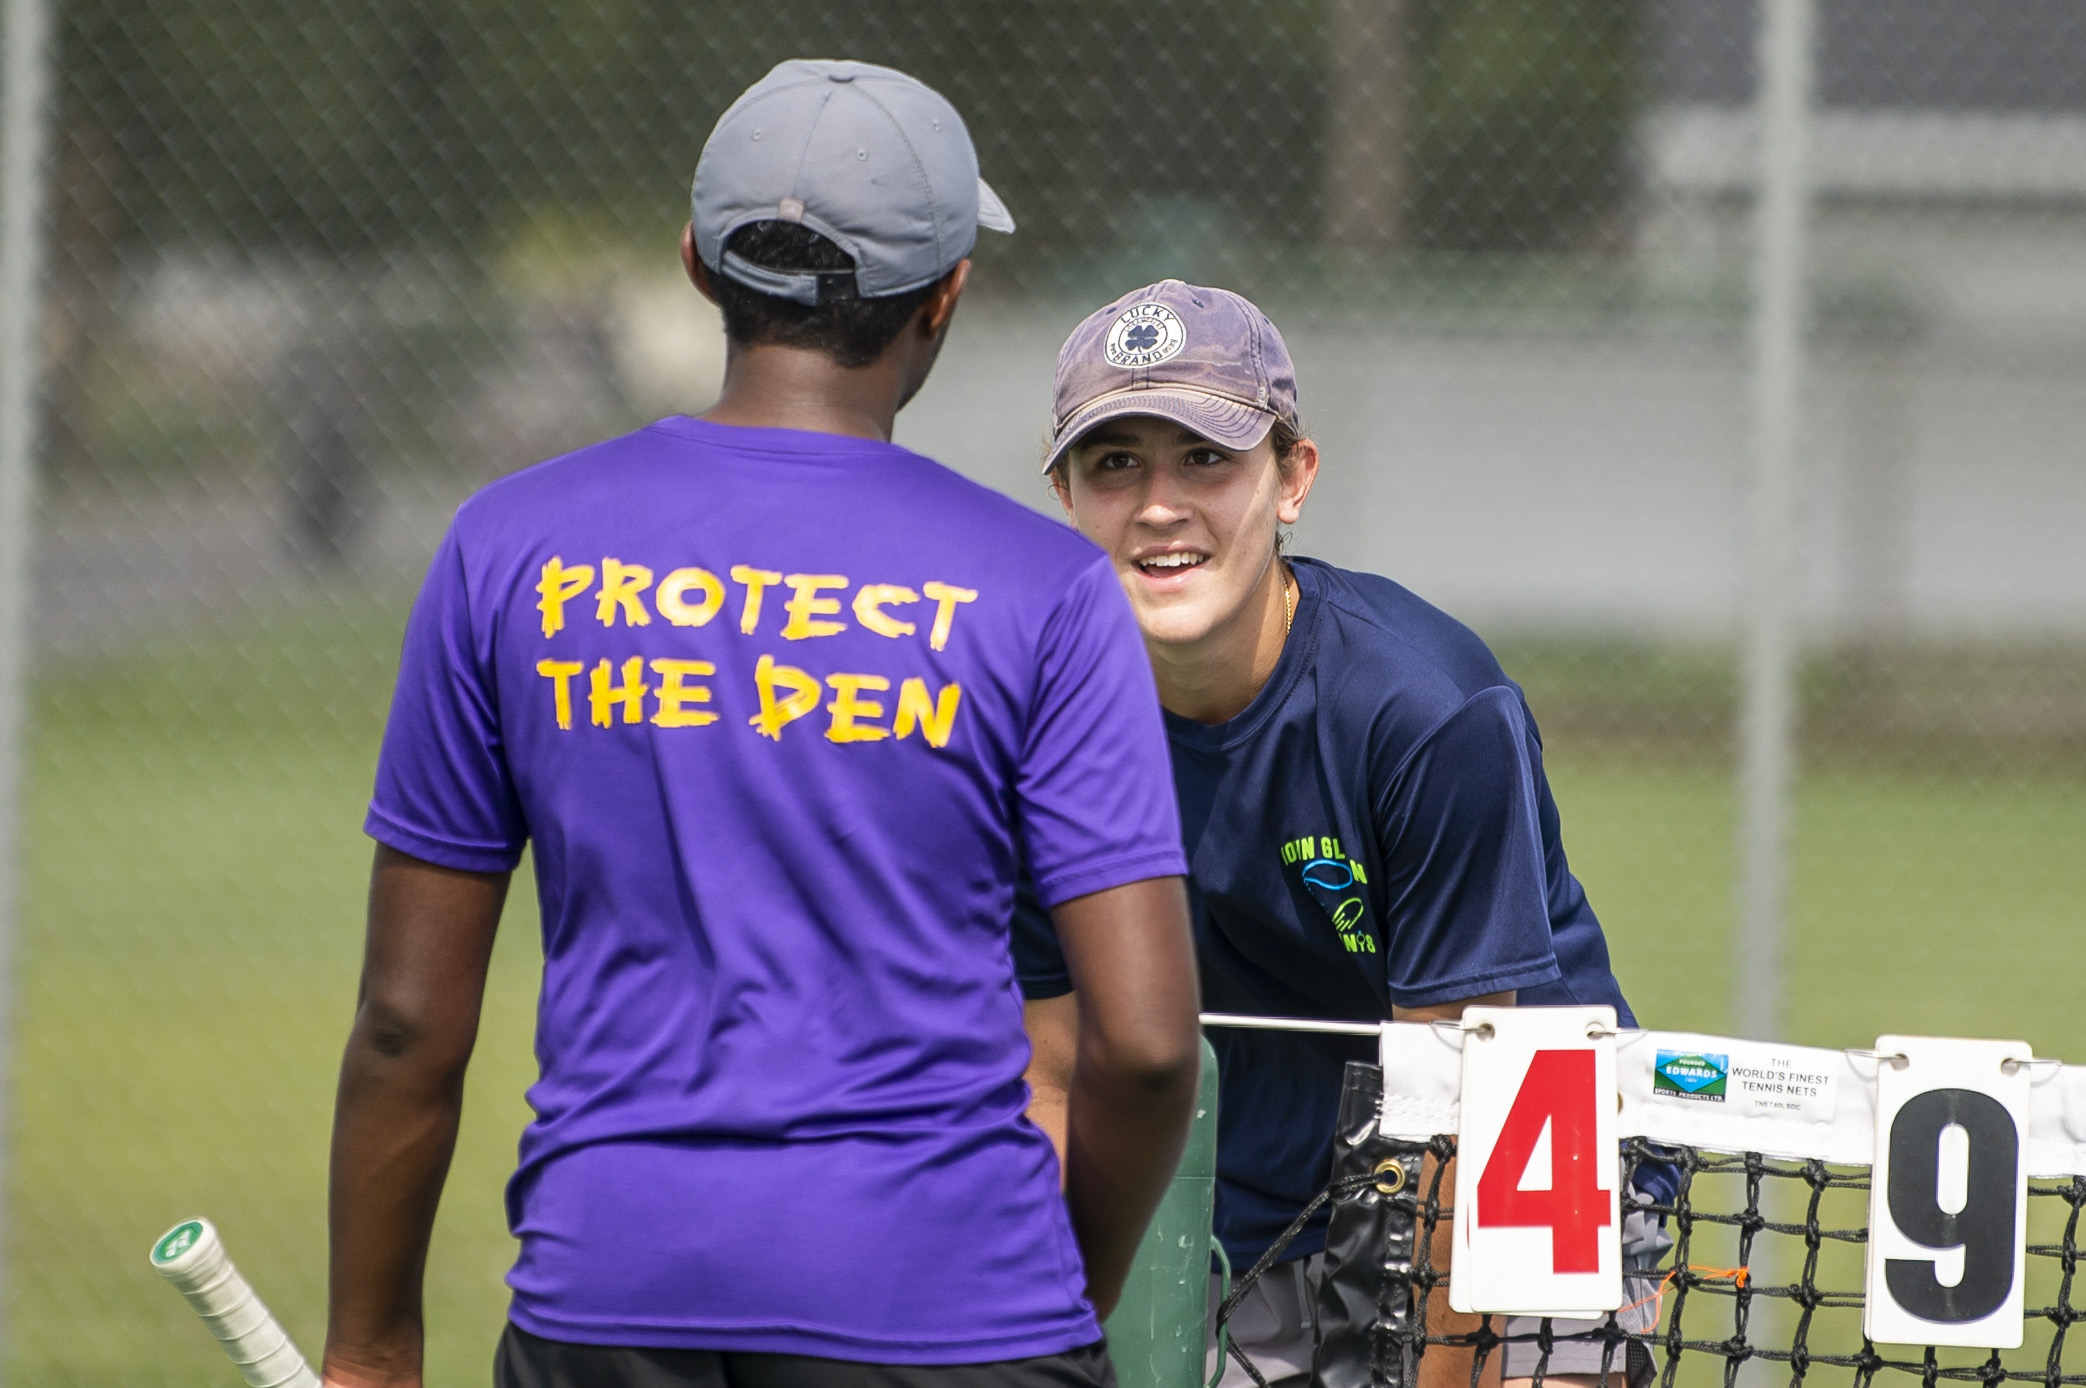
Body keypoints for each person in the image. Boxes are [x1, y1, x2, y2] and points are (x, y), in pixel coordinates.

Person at [322, 62, 1203, 1388]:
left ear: (696, 263)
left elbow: (405, 1019)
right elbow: (1141, 1045)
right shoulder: (1048, 590)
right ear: (946, 294)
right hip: (953, 1302)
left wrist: (371, 1347)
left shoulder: (505, 547)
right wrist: (1049, 1295)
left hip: (607, 1297)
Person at [1013, 280, 1672, 1388]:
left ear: (1293, 480)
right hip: (1240, 1212)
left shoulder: (1424, 713)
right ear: (1066, 497)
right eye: (1114, 462)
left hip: (1528, 1173)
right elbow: (1054, 1074)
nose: (1159, 503)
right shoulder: (1036, 719)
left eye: (1205, 459)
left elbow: (1466, 1114)